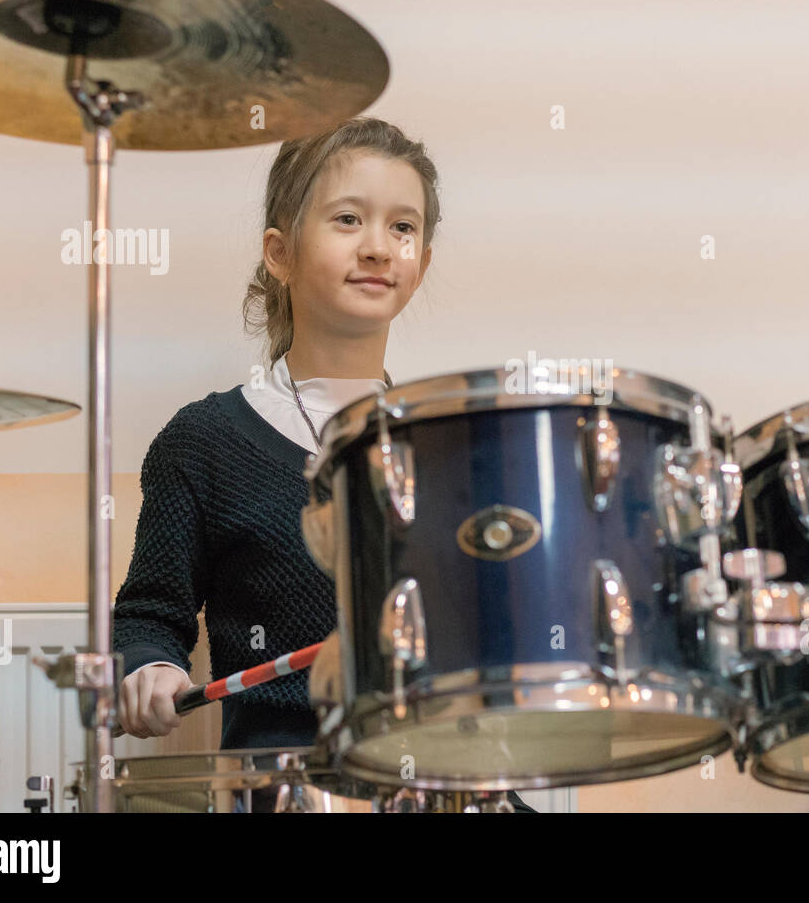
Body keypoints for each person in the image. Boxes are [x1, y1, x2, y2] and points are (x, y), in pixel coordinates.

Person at [112, 115, 535, 811]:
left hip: (447, 780)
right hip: (290, 788)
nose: (378, 247)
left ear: (421, 262)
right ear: (279, 253)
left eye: (403, 228)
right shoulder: (202, 441)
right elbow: (147, 616)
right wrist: (151, 665)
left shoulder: (455, 449)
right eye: (347, 219)